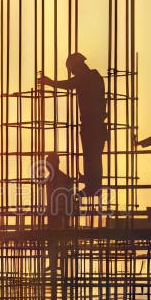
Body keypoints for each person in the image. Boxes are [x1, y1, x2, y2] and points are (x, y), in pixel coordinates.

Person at [37, 53, 108, 199]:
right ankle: (92, 183)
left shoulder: (87, 77)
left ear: (78, 66)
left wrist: (51, 82)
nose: (73, 73)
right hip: (96, 124)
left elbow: (70, 84)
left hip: (92, 124)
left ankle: (93, 186)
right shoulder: (94, 76)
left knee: (91, 155)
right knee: (92, 156)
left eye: (73, 70)